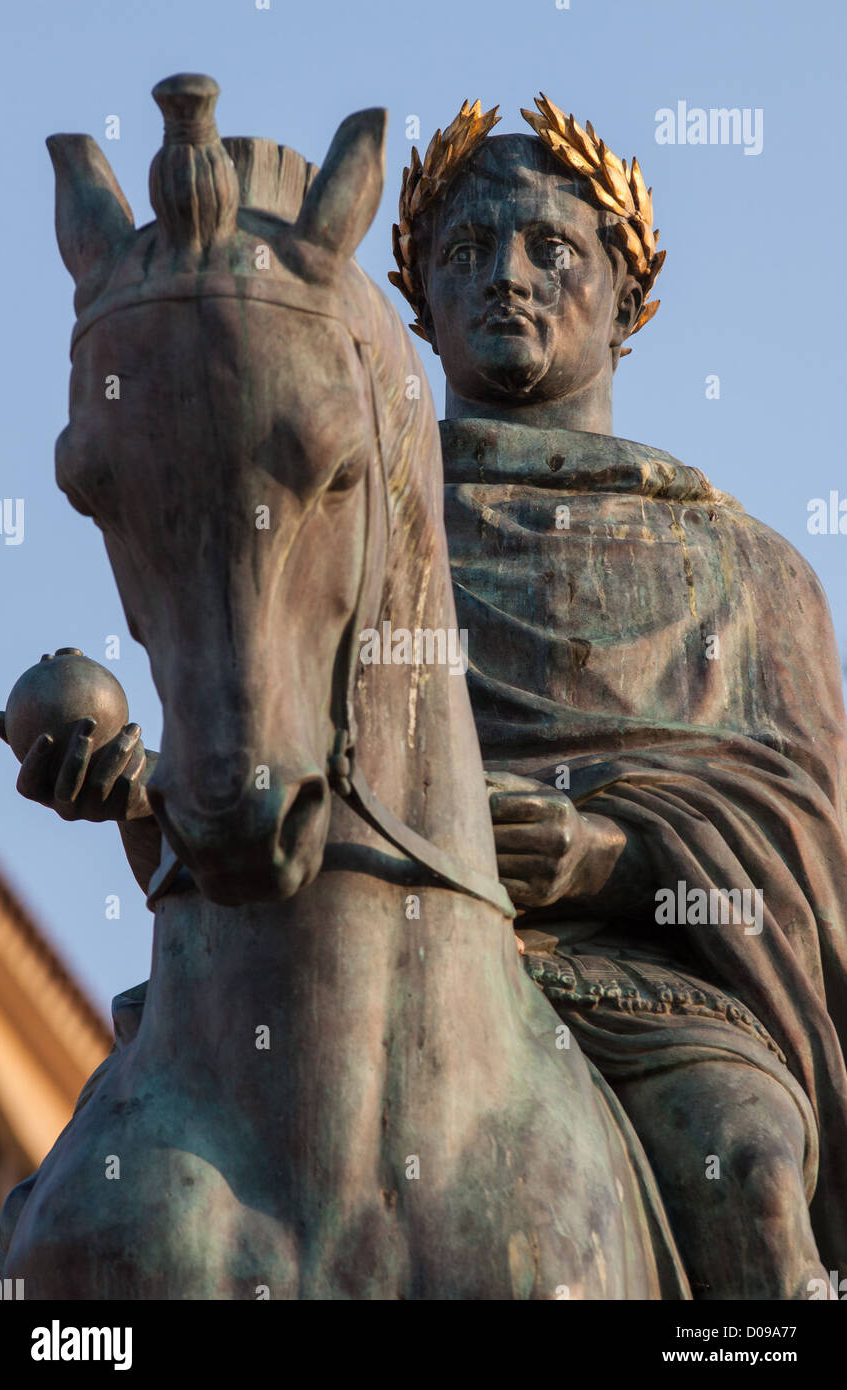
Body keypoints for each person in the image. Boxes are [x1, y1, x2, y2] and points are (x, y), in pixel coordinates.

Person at [387, 93, 847, 1298]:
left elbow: (807, 848)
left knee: (746, 1168)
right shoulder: (355, 529)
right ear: (417, 302)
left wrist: (607, 853)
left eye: (551, 249)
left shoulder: (747, 571)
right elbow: (258, 738)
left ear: (626, 300)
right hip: (366, 956)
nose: (507, 277)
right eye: (466, 251)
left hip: (643, 993)